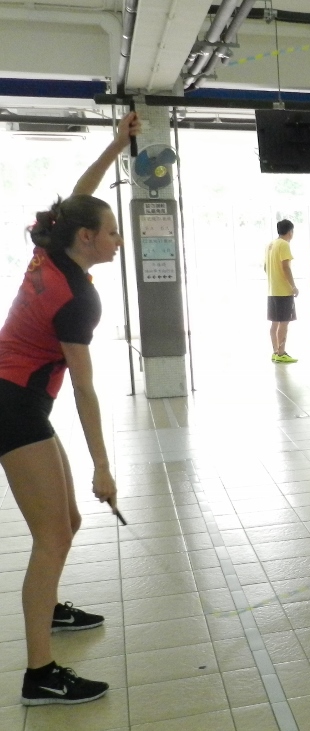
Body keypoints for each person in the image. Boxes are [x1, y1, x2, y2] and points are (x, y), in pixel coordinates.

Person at [0, 112, 141, 706]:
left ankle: (49, 608)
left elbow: (80, 197)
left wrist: (115, 145)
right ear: (87, 239)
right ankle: (40, 675)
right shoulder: (76, 299)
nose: (115, 240)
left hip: (20, 398)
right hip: (11, 405)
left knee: (69, 523)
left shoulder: (52, 249)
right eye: (110, 233)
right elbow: (84, 390)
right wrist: (103, 467)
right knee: (52, 534)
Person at [266, 219, 299, 363]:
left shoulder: (270, 245)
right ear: (290, 232)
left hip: (272, 290)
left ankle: (275, 352)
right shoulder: (284, 245)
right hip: (283, 291)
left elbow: (265, 268)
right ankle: (281, 352)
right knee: (284, 323)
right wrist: (293, 286)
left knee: (275, 323)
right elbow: (286, 267)